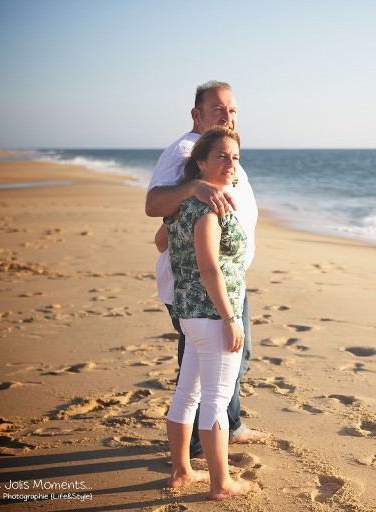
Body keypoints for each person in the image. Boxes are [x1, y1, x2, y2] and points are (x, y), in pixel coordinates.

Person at [146, 81, 267, 458]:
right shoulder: (187, 151)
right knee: (205, 375)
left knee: (219, 368)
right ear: (196, 114)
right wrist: (194, 188)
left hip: (224, 282)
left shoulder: (222, 152)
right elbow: (154, 204)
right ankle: (204, 447)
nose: (226, 115)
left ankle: (229, 428)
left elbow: (162, 232)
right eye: (217, 108)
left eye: (231, 109)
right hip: (208, 290)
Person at [164, 127, 258, 500]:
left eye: (235, 157)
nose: (230, 163)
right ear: (200, 162)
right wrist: (231, 318)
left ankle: (182, 471)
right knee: (216, 400)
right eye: (221, 156)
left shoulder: (184, 205)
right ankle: (222, 483)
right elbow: (210, 269)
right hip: (212, 314)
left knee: (187, 392)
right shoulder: (207, 206)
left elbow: (162, 240)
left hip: (192, 313)